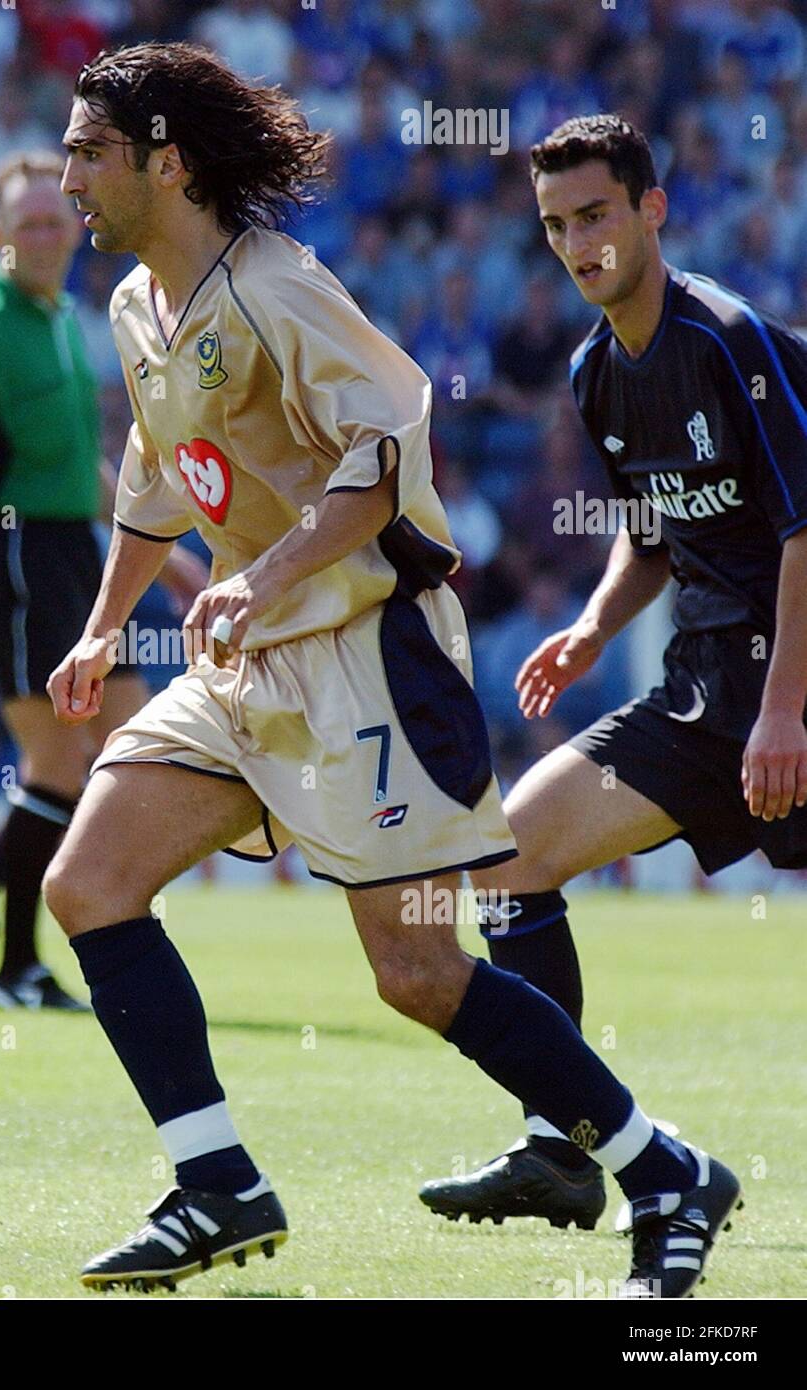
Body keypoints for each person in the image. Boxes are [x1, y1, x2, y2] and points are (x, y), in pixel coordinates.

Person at [44, 46, 735, 1297]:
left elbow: (386, 438)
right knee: (88, 880)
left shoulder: (276, 288)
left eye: (89, 152)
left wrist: (265, 574)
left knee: (417, 972)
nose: (67, 176)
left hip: (370, 660)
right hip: (246, 670)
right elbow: (156, 487)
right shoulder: (138, 309)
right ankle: (218, 1186)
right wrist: (103, 625)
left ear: (166, 160)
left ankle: (659, 1164)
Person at [419, 115, 804, 1264]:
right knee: (506, 854)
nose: (576, 244)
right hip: (704, 684)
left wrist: (786, 708)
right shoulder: (593, 372)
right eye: (553, 226)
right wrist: (589, 629)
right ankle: (561, 1144)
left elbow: (803, 528)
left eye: (594, 215)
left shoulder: (729, 339)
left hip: (786, 674)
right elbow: (651, 532)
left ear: (652, 209)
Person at [0, 148, 204, 1011]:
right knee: (57, 764)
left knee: (130, 750)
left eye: (57, 220)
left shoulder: (59, 318)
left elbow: (86, 465)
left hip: (80, 557)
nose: (48, 236)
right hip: (16, 559)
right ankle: (12, 956)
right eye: (29, 223)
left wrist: (171, 553)